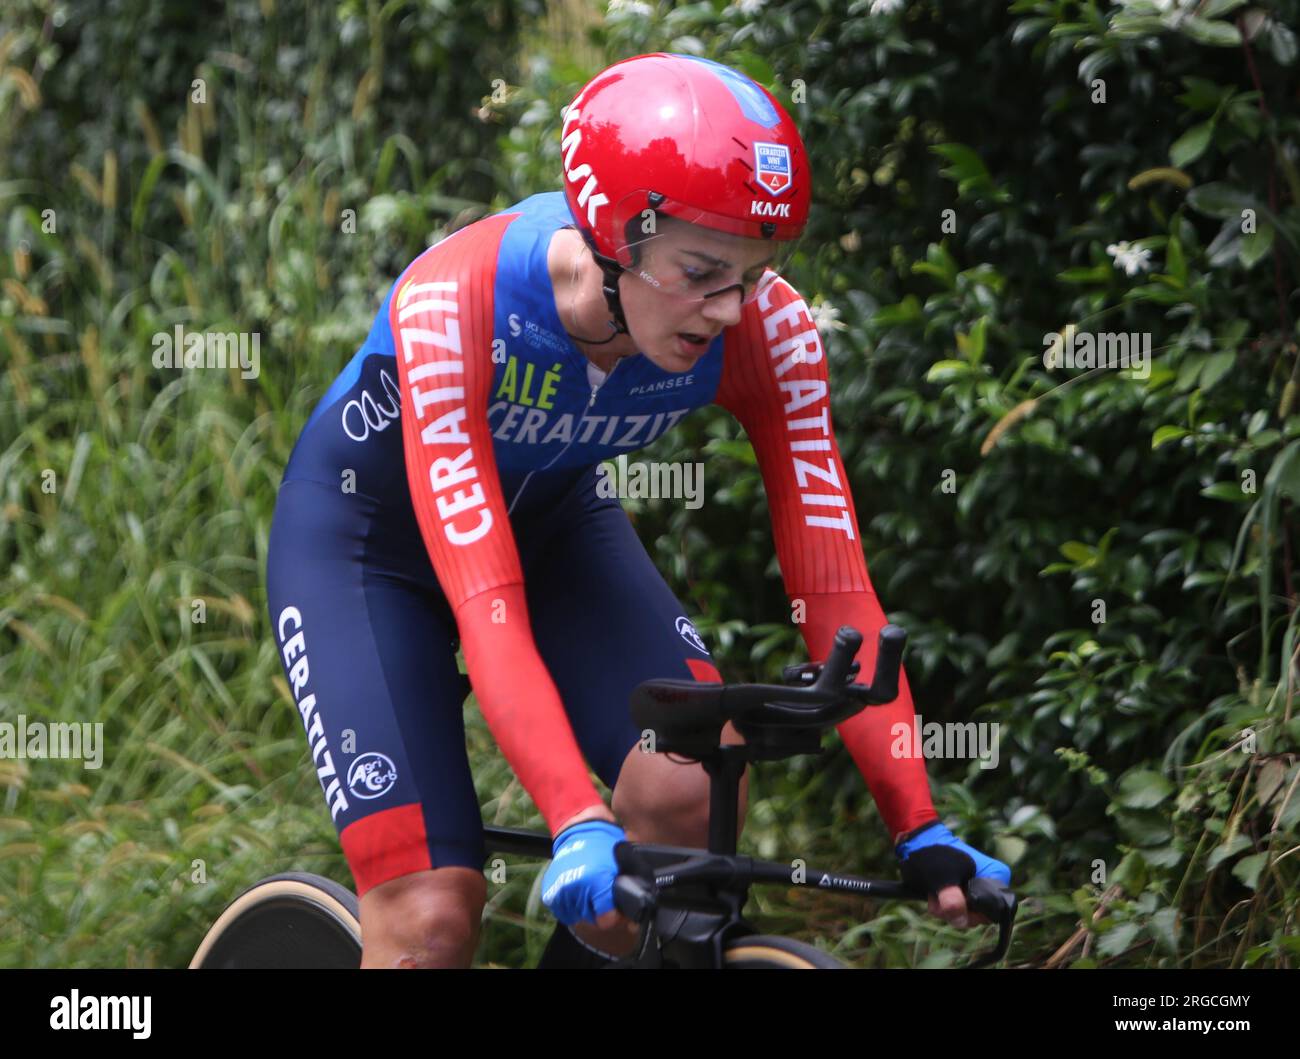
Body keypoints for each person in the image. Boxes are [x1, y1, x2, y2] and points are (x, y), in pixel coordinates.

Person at [265, 51, 1009, 969]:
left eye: (757, 270)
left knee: (689, 813)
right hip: (364, 550)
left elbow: (835, 588)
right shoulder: (455, 301)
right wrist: (575, 814)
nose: (732, 309)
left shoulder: (766, 332)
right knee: (432, 919)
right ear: (614, 234)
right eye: (701, 270)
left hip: (552, 529)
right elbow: (485, 603)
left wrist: (918, 822)